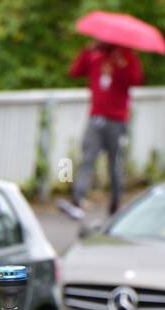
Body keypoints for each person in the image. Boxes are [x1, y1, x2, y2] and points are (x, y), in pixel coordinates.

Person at [59, 41, 143, 219]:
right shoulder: (96, 58)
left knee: (115, 163)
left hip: (117, 120)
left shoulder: (128, 59)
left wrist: (120, 66)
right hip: (96, 117)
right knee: (88, 158)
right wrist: (86, 51)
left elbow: (136, 80)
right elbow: (74, 72)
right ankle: (78, 199)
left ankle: (115, 203)